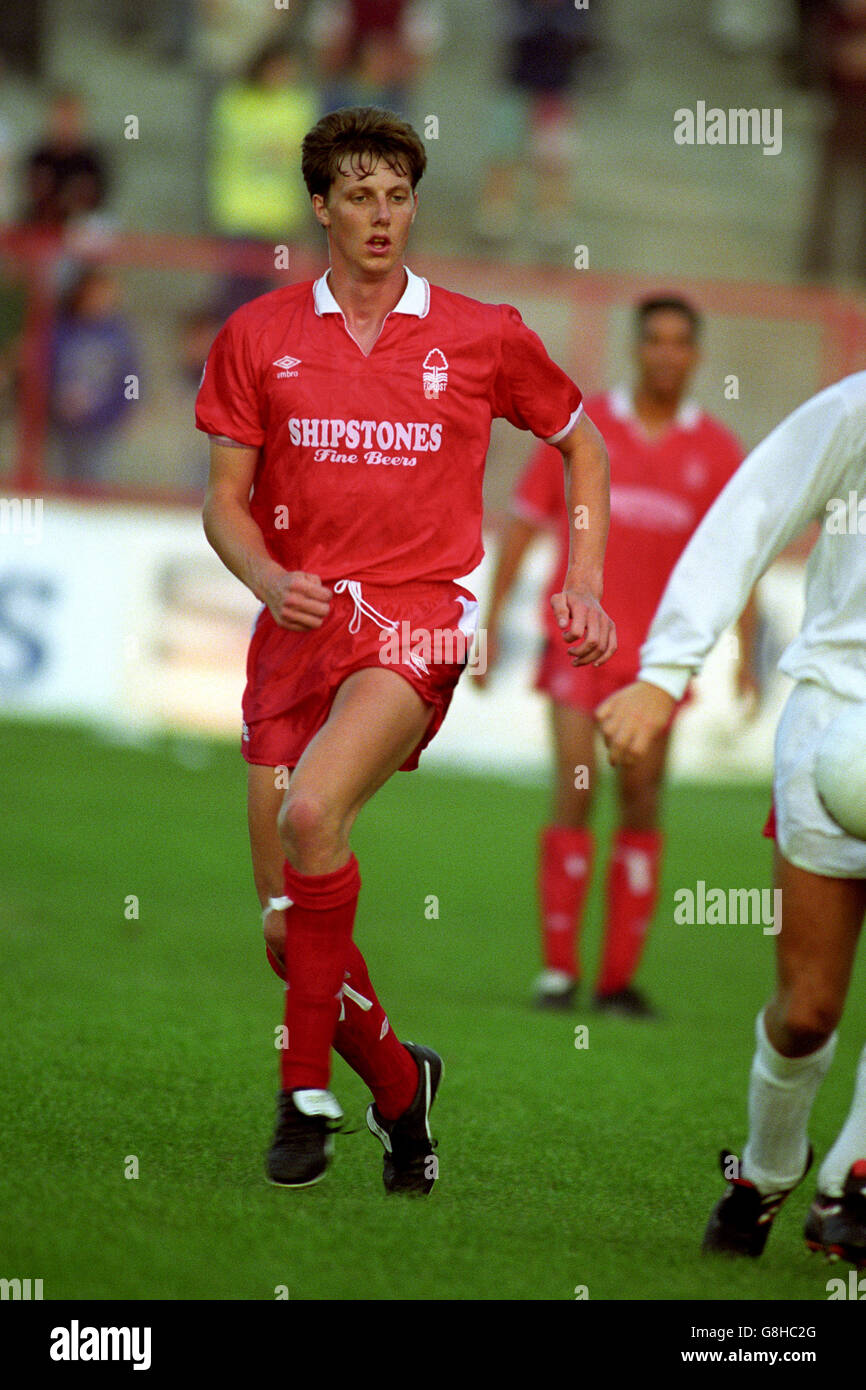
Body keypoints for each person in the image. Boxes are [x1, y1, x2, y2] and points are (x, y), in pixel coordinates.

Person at [195, 106, 616, 1192]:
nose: (382, 217)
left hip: (413, 621)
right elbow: (226, 507)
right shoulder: (258, 336)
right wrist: (263, 578)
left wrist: (580, 581)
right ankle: (398, 1089)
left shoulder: (480, 334)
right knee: (291, 937)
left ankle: (299, 1095)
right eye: (360, 196)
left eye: (398, 196)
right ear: (322, 209)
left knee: (308, 813)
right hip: (292, 631)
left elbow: (582, 445)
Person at [596, 373, 866, 1266]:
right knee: (810, 1010)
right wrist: (665, 669)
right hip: (837, 726)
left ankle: (850, 1187)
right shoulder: (857, 407)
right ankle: (766, 1170)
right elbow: (751, 509)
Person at [476, 297, 751, 1015]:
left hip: (657, 661)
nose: (665, 353)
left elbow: (734, 562)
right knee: (574, 790)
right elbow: (527, 524)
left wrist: (747, 652)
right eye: (653, 339)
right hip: (578, 644)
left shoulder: (717, 451)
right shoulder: (584, 429)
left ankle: (618, 979)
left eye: (679, 342)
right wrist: (489, 619)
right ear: (637, 347)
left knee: (640, 798)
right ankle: (560, 971)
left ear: (695, 356)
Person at [21, 90, 108, 230]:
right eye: (61, 117)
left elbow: (98, 202)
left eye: (71, 117)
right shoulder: (39, 157)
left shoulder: (92, 160)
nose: (65, 123)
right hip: (42, 225)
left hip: (82, 227)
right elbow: (32, 197)